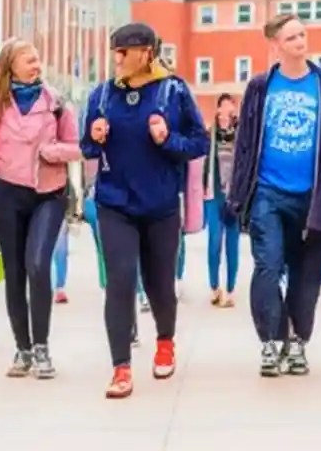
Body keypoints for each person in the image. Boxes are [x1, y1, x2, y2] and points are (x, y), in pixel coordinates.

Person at [81, 22, 208, 399]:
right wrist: (94, 136)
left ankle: (165, 340)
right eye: (114, 51)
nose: (116, 59)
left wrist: (167, 139)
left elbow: (199, 143)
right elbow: (86, 147)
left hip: (160, 205)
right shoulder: (102, 95)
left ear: (146, 52)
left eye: (124, 51)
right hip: (114, 202)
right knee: (120, 280)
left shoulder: (174, 91)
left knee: (159, 283)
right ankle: (120, 367)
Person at [225, 13, 321, 378]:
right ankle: (271, 341)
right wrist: (238, 193)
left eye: (303, 34)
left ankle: (298, 342)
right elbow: (246, 141)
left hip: (312, 195)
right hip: (267, 192)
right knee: (268, 264)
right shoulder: (262, 87)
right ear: (276, 44)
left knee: (306, 274)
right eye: (292, 36)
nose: (300, 41)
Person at [0, 39, 82, 380]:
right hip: (7, 195)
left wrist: (53, 152)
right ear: (9, 65)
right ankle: (23, 348)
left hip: (49, 193)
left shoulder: (56, 103)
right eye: (28, 60)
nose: (36, 65)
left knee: (38, 263)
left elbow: (78, 147)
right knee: (14, 271)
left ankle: (42, 347)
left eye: (37, 59)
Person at [203, 93, 242, 307]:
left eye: (230, 106)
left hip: (234, 196)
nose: (226, 111)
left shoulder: (241, 135)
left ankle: (230, 288)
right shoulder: (209, 135)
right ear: (217, 110)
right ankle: (214, 286)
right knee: (215, 241)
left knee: (232, 244)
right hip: (213, 193)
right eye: (223, 106)